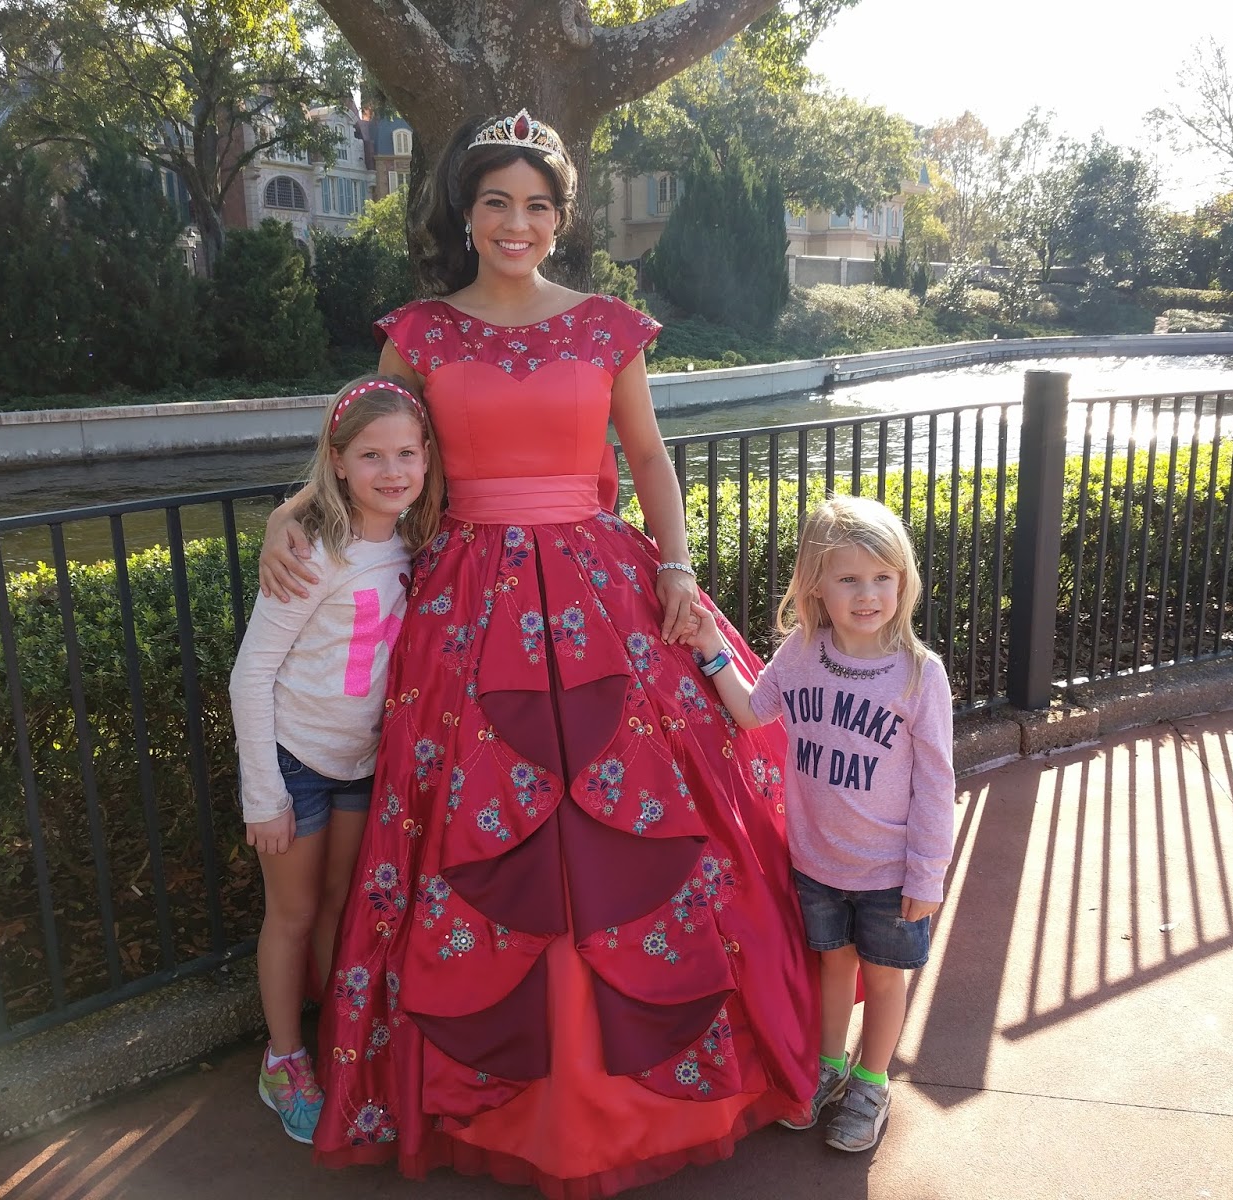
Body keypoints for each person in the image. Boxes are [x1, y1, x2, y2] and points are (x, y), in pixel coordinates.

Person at [257, 109, 816, 1195]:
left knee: (641, 822)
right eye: (496, 203)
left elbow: (646, 457)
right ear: (465, 214)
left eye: (537, 205)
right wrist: (292, 511)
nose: (517, 223)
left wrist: (676, 568)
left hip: (605, 592)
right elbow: (364, 444)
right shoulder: (419, 332)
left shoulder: (610, 327)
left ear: (561, 220)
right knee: (481, 831)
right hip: (464, 606)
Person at [684, 493, 956, 1153]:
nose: (868, 594)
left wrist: (927, 873)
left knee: (884, 976)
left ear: (903, 580)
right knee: (834, 965)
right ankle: (830, 1066)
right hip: (815, 863)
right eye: (849, 578)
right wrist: (712, 649)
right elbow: (753, 712)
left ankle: (872, 1081)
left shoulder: (920, 675)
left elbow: (936, 784)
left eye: (882, 577)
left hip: (889, 870)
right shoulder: (802, 651)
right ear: (816, 585)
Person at [229, 375, 444, 1143]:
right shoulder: (311, 552)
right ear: (340, 461)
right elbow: (250, 675)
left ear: (427, 458)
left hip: (362, 766)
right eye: (372, 455)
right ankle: (283, 1060)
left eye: (407, 453)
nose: (392, 470)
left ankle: (335, 1046)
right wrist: (264, 795)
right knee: (292, 914)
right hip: (296, 765)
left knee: (341, 907)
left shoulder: (418, 542)